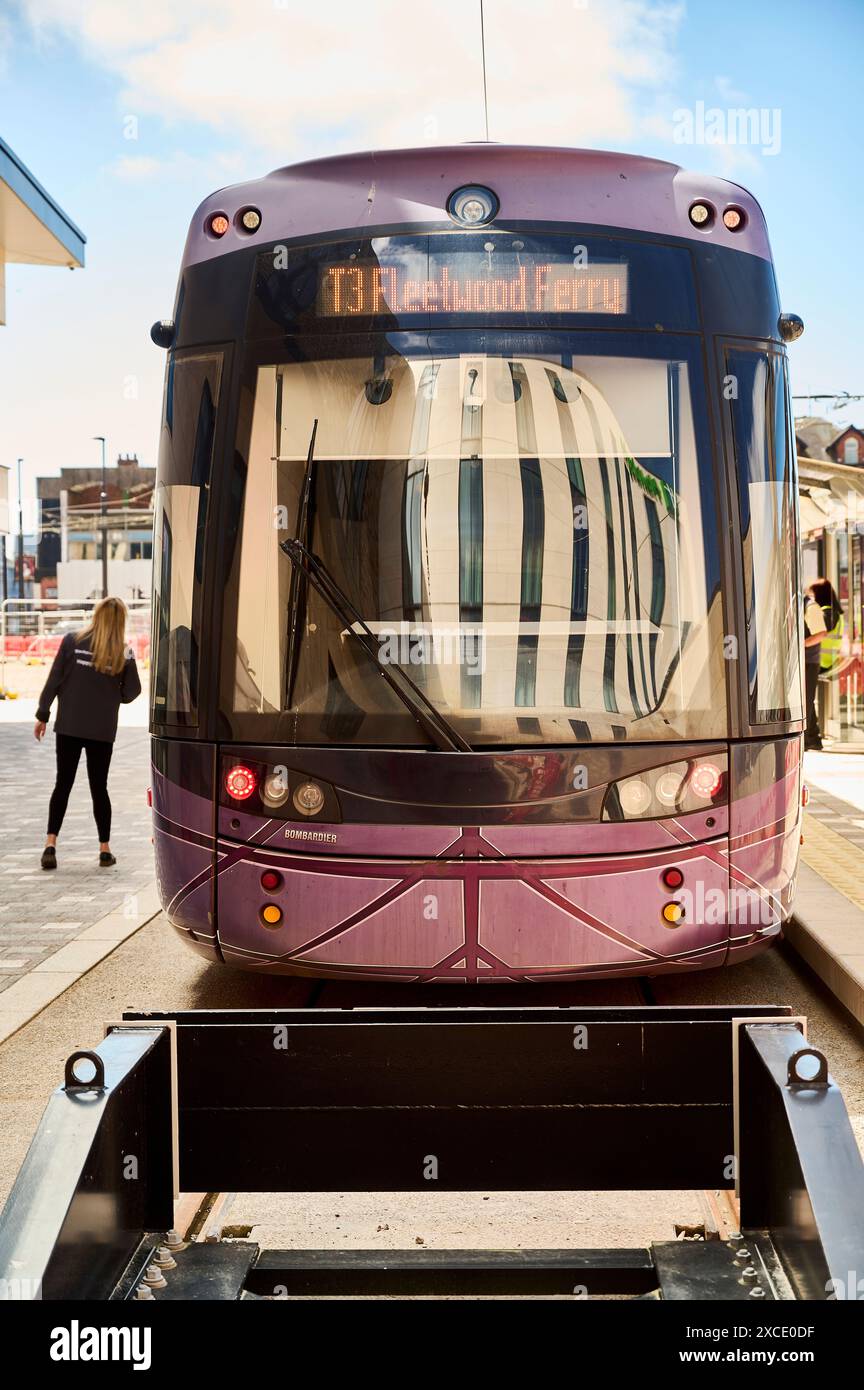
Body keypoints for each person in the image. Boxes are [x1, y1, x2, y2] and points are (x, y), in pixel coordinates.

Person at [34, 597, 142, 869]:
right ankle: (105, 850)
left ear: (96, 615)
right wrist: (111, 694)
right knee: (99, 787)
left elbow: (54, 680)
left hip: (69, 725)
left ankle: (50, 845)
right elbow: (132, 692)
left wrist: (42, 715)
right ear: (120, 622)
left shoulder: (72, 641)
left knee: (63, 784)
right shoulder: (124, 653)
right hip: (102, 730)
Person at [802, 578, 843, 751]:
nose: (811, 596)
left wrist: (801, 643)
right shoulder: (832, 611)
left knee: (807, 699)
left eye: (813, 592)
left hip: (819, 659)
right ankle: (813, 736)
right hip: (822, 658)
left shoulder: (825, 611)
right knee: (808, 699)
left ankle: (812, 737)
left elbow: (820, 633)